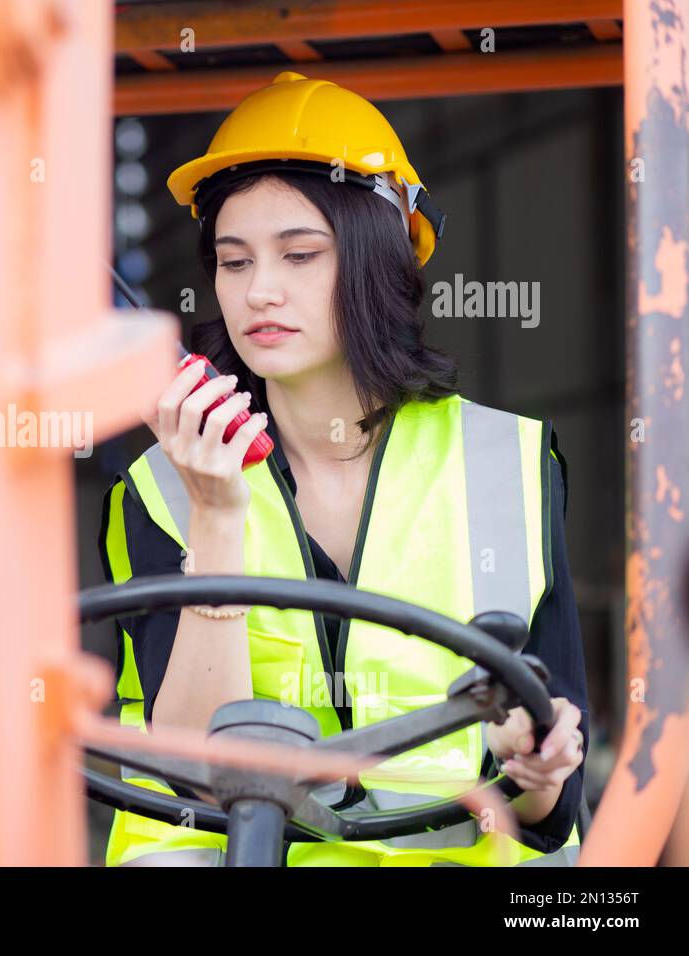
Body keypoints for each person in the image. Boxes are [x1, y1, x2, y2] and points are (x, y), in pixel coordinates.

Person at [97, 71, 588, 866]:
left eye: (299, 255)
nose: (259, 291)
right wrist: (217, 516)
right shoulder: (159, 487)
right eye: (233, 261)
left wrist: (537, 768)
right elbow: (188, 776)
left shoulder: (510, 462)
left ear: (379, 261)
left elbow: (549, 807)